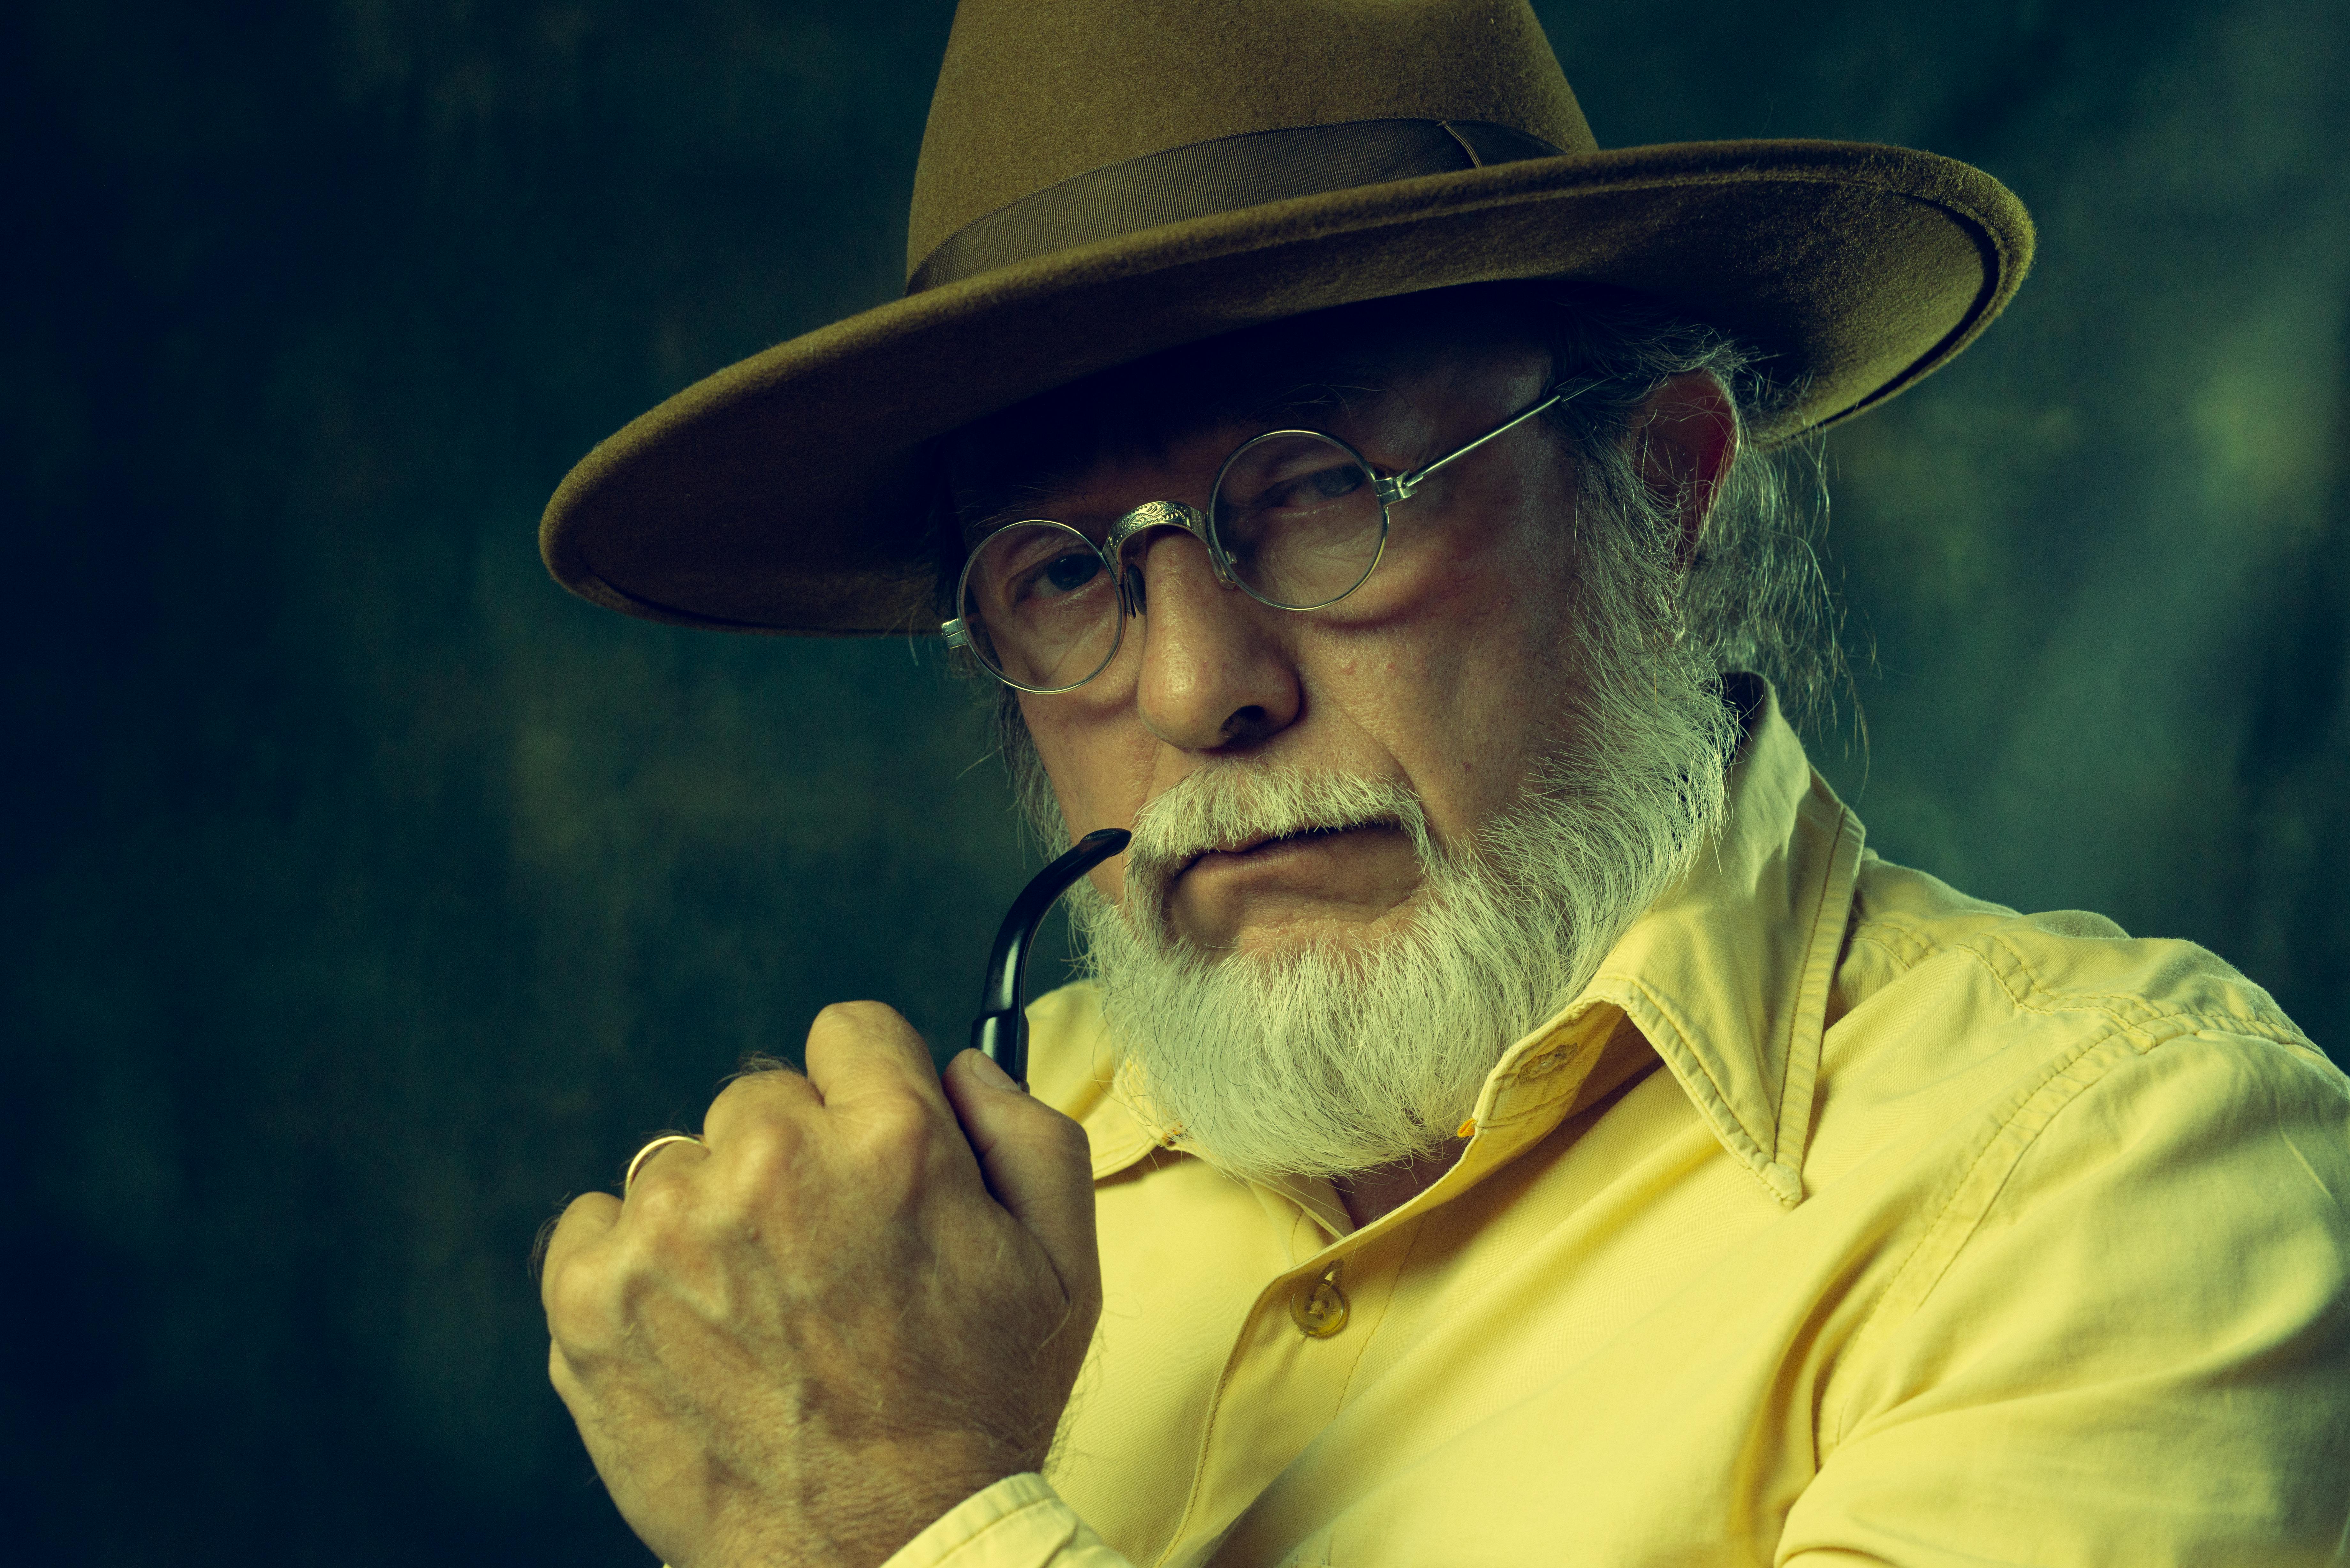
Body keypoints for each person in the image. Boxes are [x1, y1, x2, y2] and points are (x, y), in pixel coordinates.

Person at [532, 2, 2350, 1564]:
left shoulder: (2126, 1182)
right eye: (1065, 574)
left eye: (1321, 489)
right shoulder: (912, 1232)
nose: (1194, 691)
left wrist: (906, 1519)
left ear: (1665, 485)